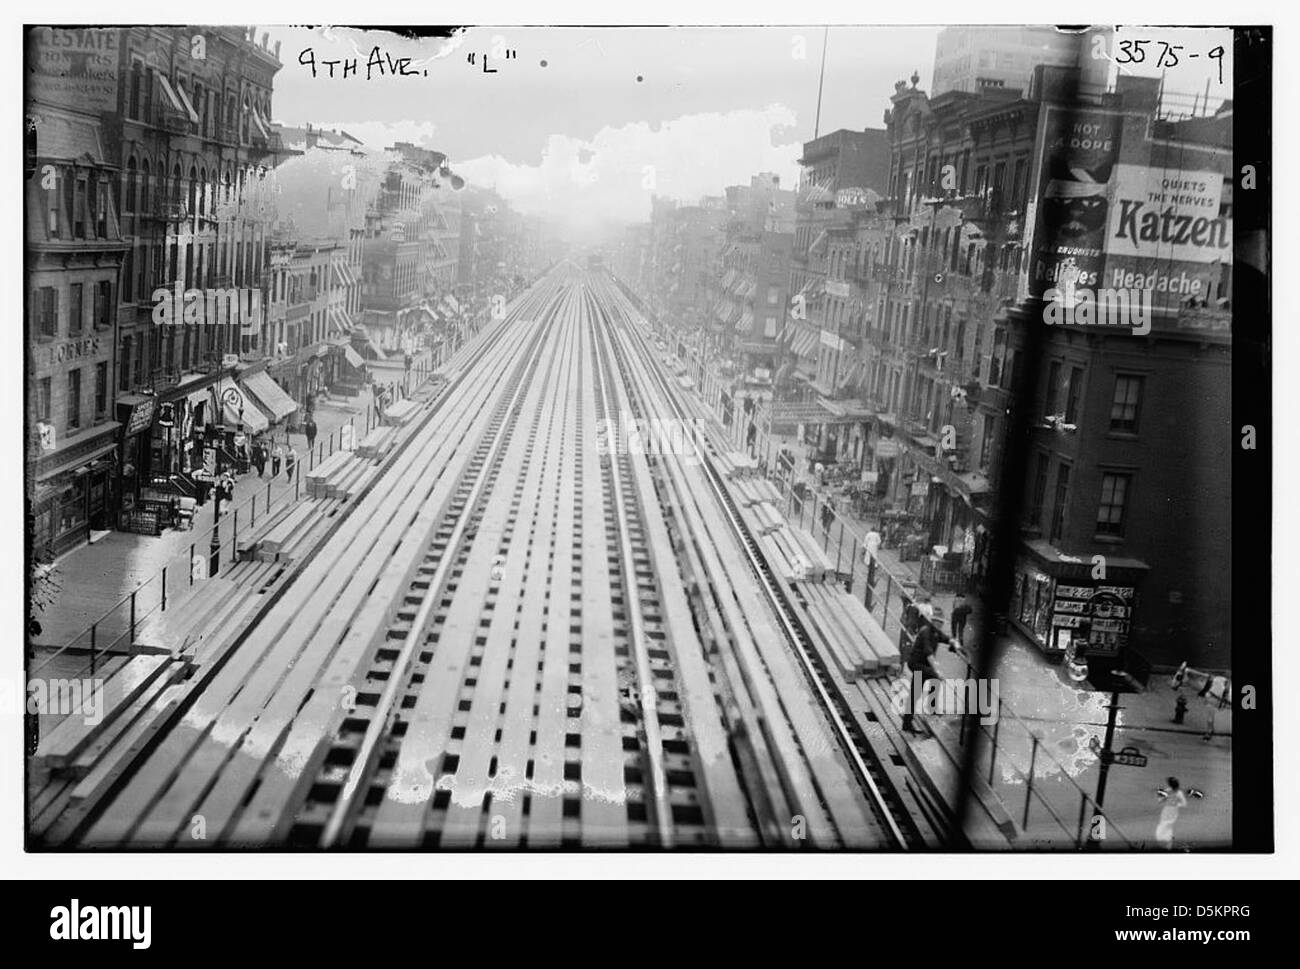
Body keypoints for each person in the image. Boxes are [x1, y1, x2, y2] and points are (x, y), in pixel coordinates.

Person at [901, 620, 954, 734]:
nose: (939, 625)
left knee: (924, 687)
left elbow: (945, 638)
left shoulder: (935, 632)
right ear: (932, 622)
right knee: (932, 679)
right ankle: (929, 709)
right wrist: (938, 671)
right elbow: (929, 653)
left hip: (923, 665)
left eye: (941, 623)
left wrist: (953, 642)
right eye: (937, 622)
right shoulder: (926, 632)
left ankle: (927, 710)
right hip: (917, 664)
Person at [1154, 777, 1189, 850]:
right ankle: (1167, 842)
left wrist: (1175, 804)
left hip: (1172, 812)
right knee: (1164, 826)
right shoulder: (1168, 791)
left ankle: (1168, 844)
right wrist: (1162, 796)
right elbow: (1159, 800)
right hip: (1166, 811)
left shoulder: (1178, 793)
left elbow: (1184, 804)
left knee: (1167, 826)